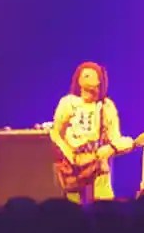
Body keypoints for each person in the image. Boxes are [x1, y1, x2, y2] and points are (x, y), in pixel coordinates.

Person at [50, 61, 134, 203]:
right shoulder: (68, 103)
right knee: (72, 208)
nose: (87, 76)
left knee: (104, 206)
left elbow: (115, 137)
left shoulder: (106, 106)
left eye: (91, 75)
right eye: (85, 74)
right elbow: (55, 133)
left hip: (98, 167)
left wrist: (115, 147)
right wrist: (69, 155)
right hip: (73, 168)